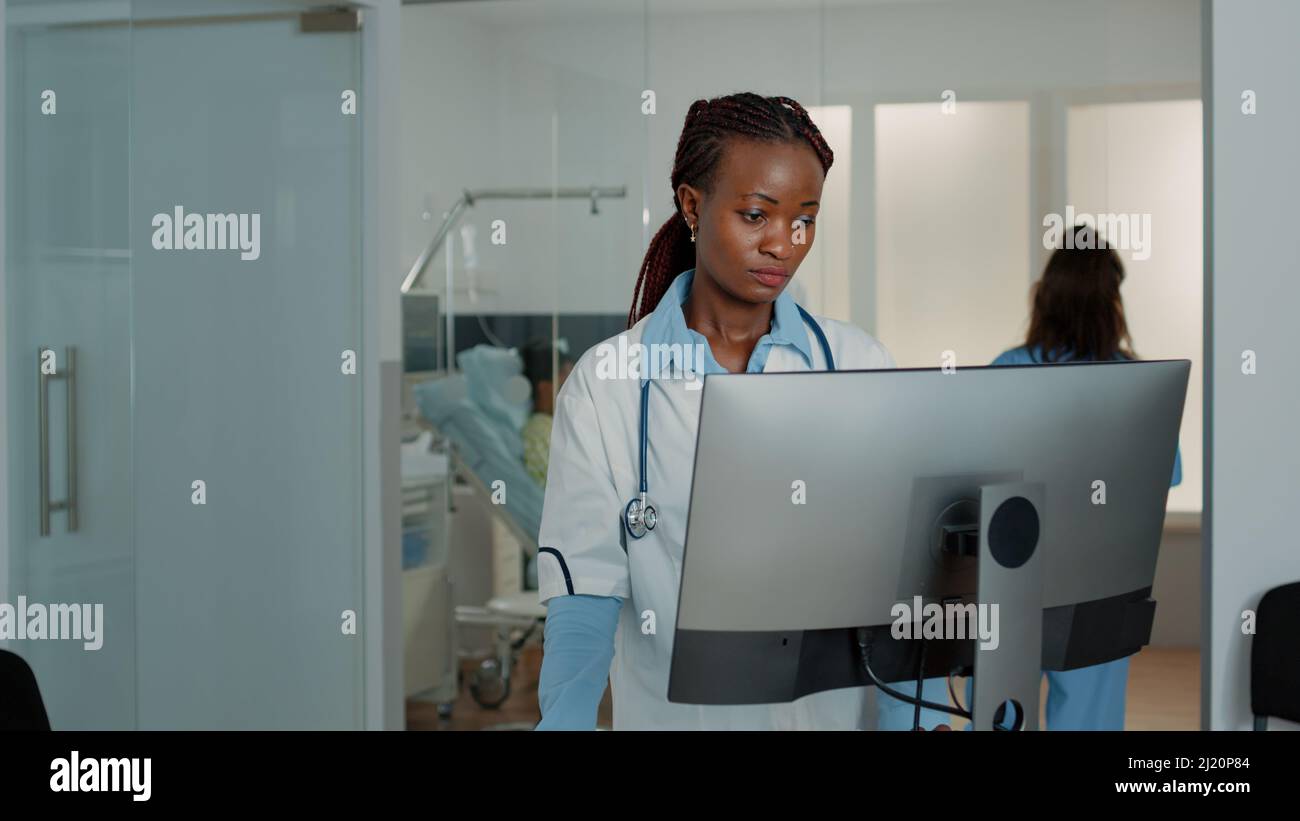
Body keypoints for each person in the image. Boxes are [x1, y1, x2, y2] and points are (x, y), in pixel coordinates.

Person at [532, 92, 930, 730]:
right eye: (755, 214)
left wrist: (908, 720)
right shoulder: (609, 384)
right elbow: (585, 592)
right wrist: (564, 721)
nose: (784, 243)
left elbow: (904, 576)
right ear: (693, 205)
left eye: (805, 218)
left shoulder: (858, 366)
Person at [968, 223, 1183, 730]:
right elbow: (1163, 481)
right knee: (1090, 720)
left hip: (1012, 576)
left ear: (1045, 298)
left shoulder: (1007, 370)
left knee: (1003, 715)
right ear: (1112, 303)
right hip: (1101, 579)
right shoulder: (1138, 384)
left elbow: (972, 479)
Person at [519, 339, 575, 489]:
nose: (574, 395)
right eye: (565, 386)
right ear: (544, 389)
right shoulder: (538, 433)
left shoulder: (555, 429)